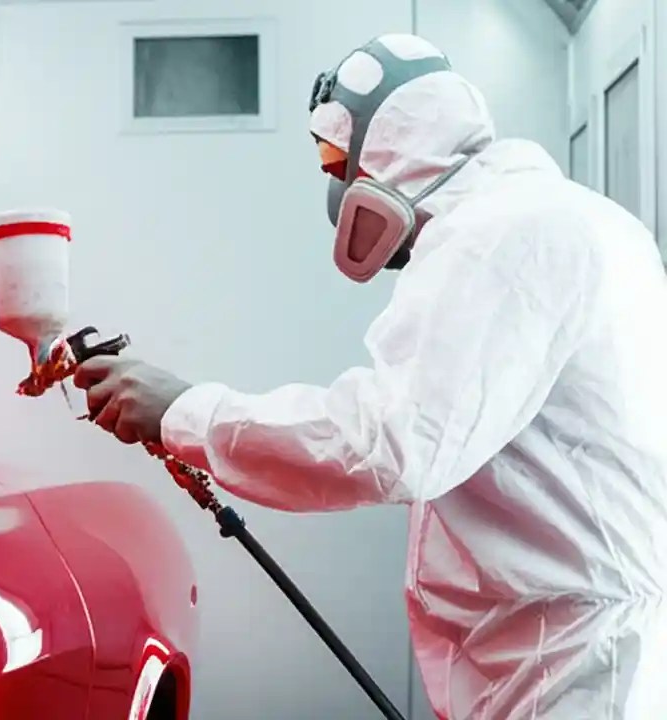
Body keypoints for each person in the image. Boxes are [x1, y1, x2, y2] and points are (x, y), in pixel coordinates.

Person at [75, 33, 667, 719]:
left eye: (338, 165)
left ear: (396, 148)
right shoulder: (566, 219)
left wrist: (184, 411)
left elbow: (391, 437)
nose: (335, 191)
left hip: (577, 667)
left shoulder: (503, 236)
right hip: (575, 641)